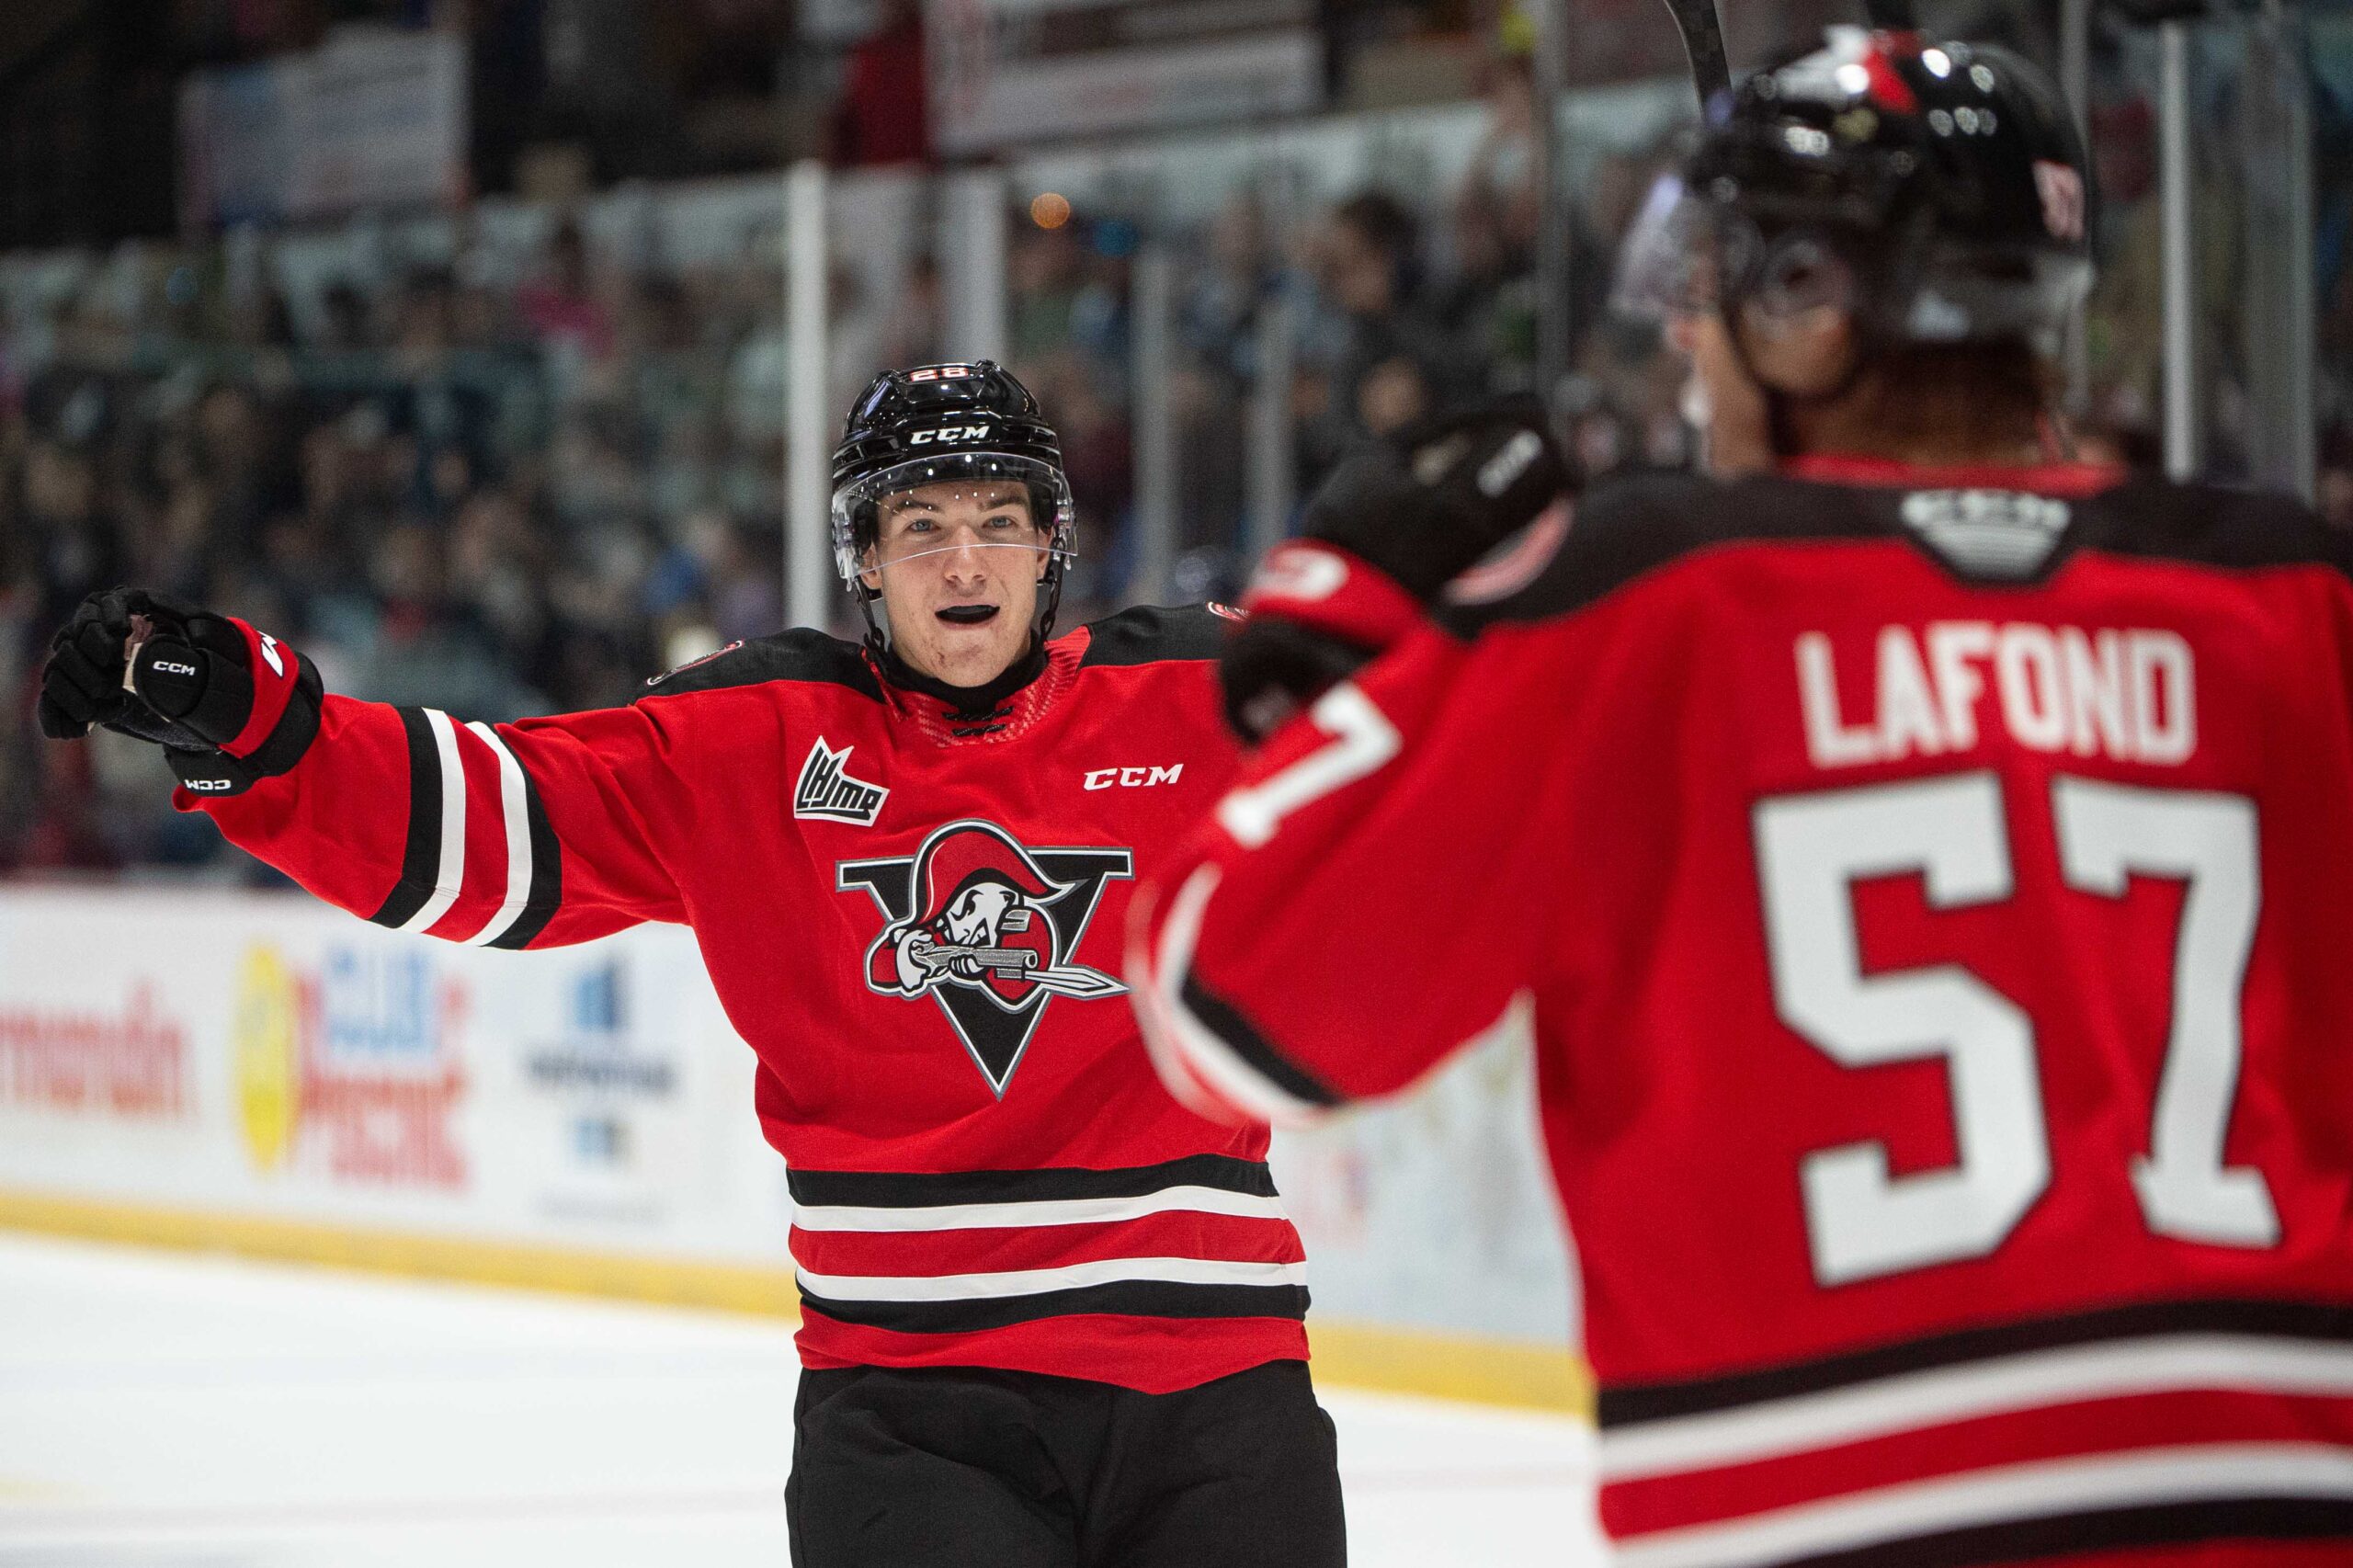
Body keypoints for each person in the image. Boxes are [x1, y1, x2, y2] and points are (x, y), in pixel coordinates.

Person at [1130, 29, 2353, 1568]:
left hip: (1827, 1512)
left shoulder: (1649, 600)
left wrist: (1353, 657)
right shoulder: (2288, 596)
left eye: (1718, 289)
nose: (1686, 340)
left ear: (1809, 312)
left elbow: (1217, 1004)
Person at [37, 361, 1346, 1568]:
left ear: (1052, 544)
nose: (965, 557)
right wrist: (250, 719)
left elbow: (1456, 752)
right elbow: (485, 823)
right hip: (916, 1416)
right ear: (866, 562)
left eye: (1000, 519)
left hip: (1216, 1394)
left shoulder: (1202, 689)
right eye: (921, 524)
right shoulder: (756, 737)